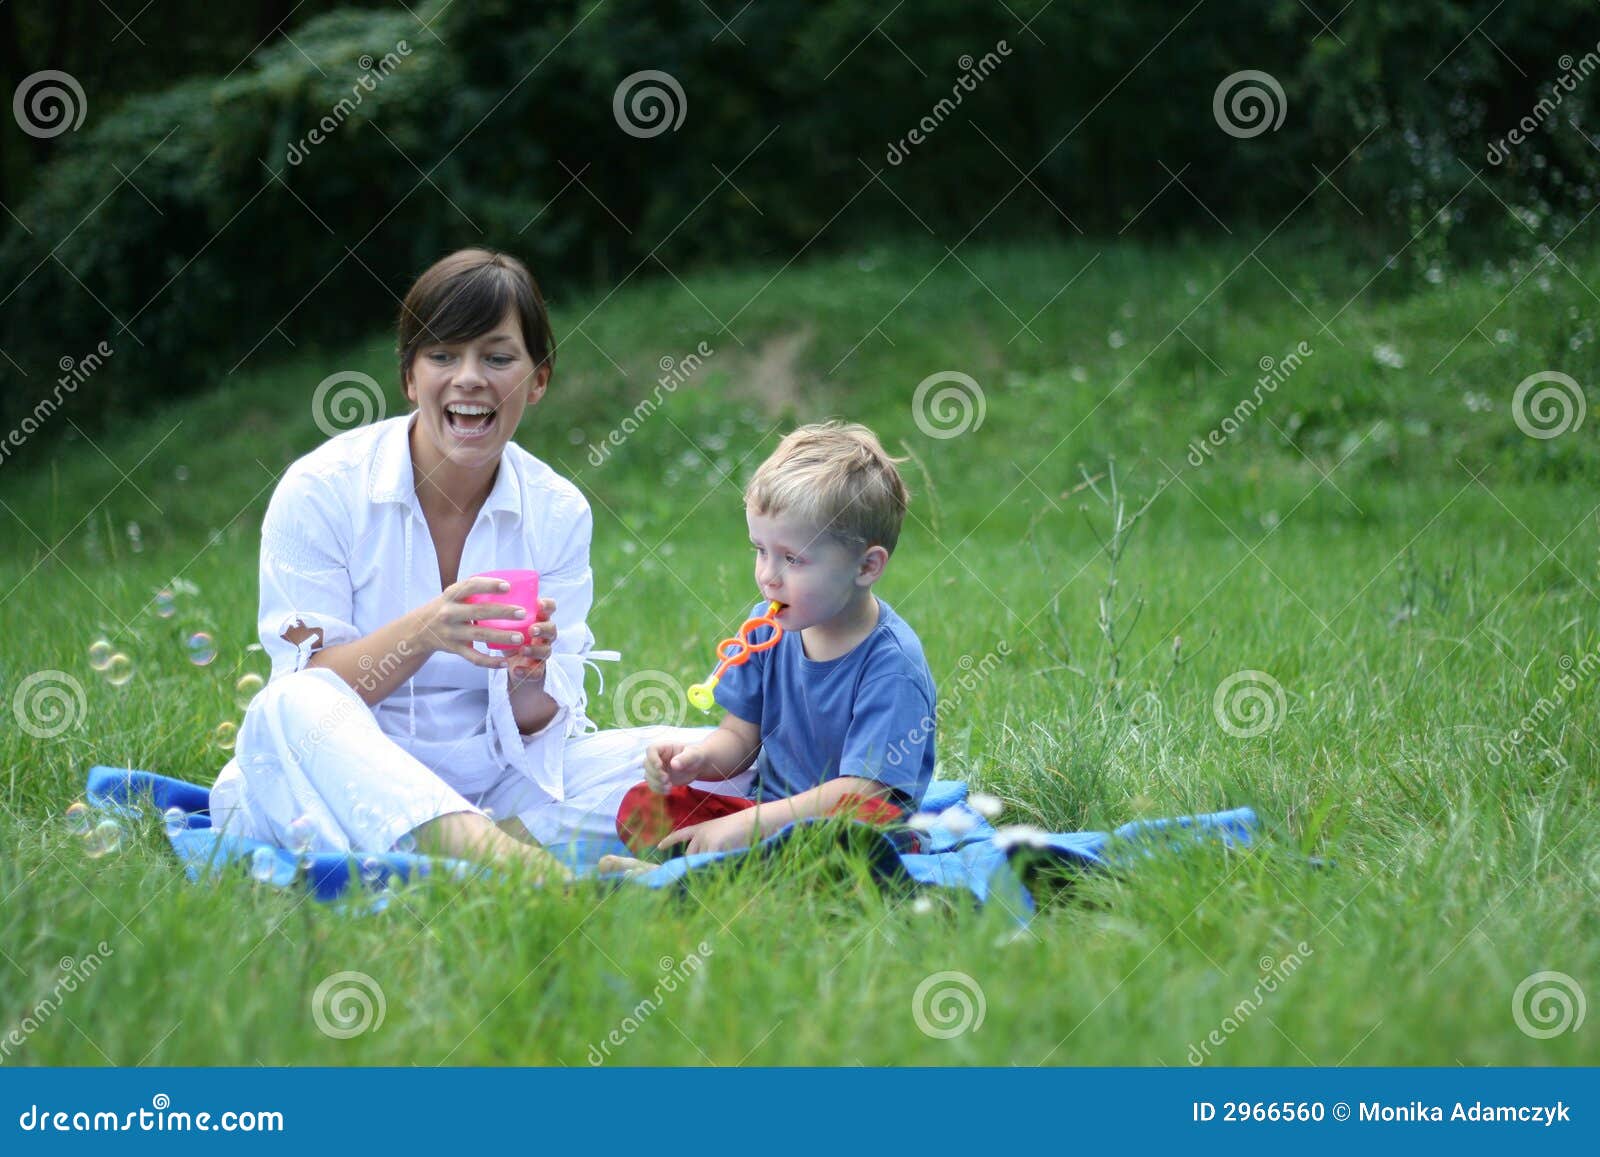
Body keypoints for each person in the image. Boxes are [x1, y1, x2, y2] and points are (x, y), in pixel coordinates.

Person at [208, 248, 735, 881]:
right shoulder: (320, 489)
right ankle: (535, 875)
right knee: (286, 707)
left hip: (497, 787)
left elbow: (540, 726)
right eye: (442, 355)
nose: (469, 378)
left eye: (497, 356)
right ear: (409, 377)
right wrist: (428, 629)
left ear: (537, 380)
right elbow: (313, 687)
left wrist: (529, 675)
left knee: (710, 756)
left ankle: (473, 852)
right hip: (348, 777)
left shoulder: (557, 510)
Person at [602, 422, 937, 867]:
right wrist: (698, 761)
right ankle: (712, 868)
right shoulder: (764, 630)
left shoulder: (891, 665)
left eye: (793, 559)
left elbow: (864, 792)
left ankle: (694, 875)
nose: (768, 575)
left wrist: (752, 825)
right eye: (760, 550)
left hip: (851, 829)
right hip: (766, 816)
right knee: (643, 805)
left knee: (853, 842)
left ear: (866, 566)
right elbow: (739, 737)